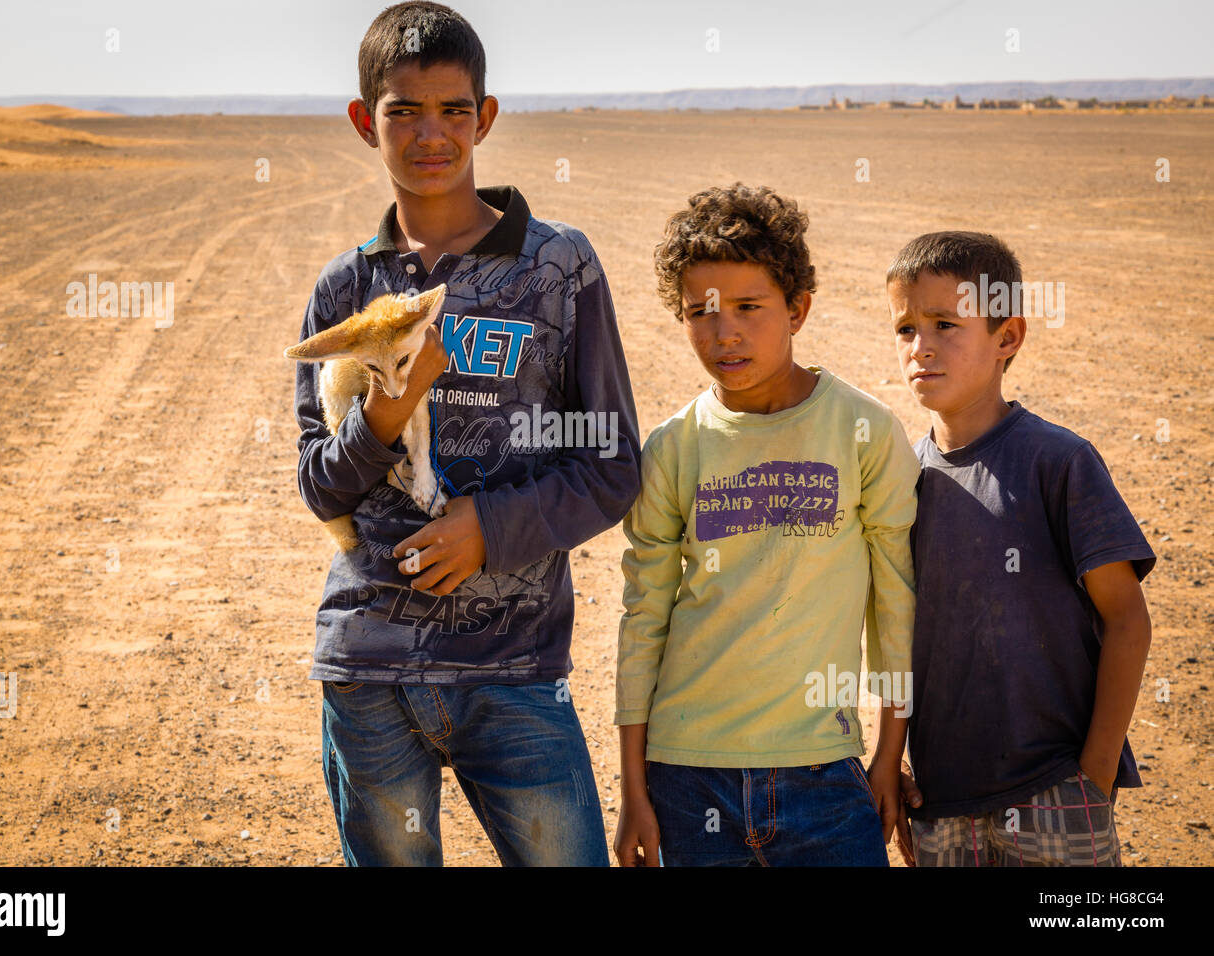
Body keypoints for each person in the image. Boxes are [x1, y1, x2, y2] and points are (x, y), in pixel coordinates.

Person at [293, 1, 640, 866]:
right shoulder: (348, 291)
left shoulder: (557, 267)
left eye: (453, 110)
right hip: (368, 668)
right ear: (364, 122)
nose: (430, 134)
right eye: (402, 111)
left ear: (485, 117)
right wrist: (385, 412)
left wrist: (491, 531)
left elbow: (611, 463)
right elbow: (318, 486)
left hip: (514, 669)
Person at [614, 183, 918, 866]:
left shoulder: (862, 431)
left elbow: (897, 605)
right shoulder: (674, 449)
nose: (725, 332)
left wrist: (887, 756)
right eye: (701, 311)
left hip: (825, 775)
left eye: (750, 307)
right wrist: (635, 788)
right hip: (687, 781)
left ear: (798, 309)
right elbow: (644, 622)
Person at [886, 231, 1155, 866]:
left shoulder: (1057, 462)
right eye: (905, 328)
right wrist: (889, 760)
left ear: (1007, 337)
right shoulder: (900, 479)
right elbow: (892, 637)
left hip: (1056, 792)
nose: (921, 348)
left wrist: (1092, 775)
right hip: (941, 800)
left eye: (946, 324)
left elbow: (1127, 618)